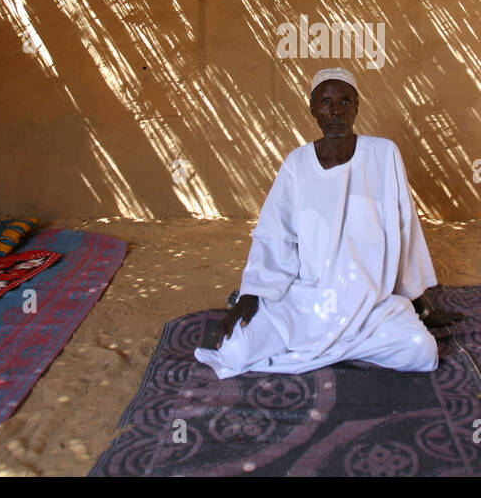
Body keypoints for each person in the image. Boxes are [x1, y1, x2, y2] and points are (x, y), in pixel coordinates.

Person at [194, 67, 462, 379]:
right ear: (312, 109)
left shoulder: (383, 155)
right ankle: (339, 349)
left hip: (370, 304)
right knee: (233, 351)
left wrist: (420, 303)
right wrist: (251, 293)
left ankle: (320, 351)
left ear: (357, 106)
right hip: (308, 300)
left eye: (344, 102)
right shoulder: (297, 163)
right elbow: (274, 234)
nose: (335, 112)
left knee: (421, 349)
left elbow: (405, 231)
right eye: (325, 102)